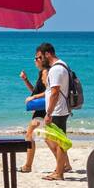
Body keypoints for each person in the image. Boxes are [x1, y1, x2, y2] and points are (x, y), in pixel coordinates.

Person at [35, 42, 73, 180]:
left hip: (57, 111)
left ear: (47, 54)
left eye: (40, 57)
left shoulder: (56, 69)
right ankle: (61, 167)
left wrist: (48, 113)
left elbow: (55, 92)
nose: (39, 60)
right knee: (54, 139)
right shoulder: (62, 65)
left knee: (58, 142)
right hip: (60, 109)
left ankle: (59, 172)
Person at [19, 62, 48, 173]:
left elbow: (48, 92)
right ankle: (66, 164)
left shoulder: (46, 72)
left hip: (43, 111)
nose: (35, 60)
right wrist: (25, 80)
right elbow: (35, 92)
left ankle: (28, 166)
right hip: (41, 110)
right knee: (49, 139)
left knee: (29, 136)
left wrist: (34, 97)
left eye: (38, 58)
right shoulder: (41, 73)